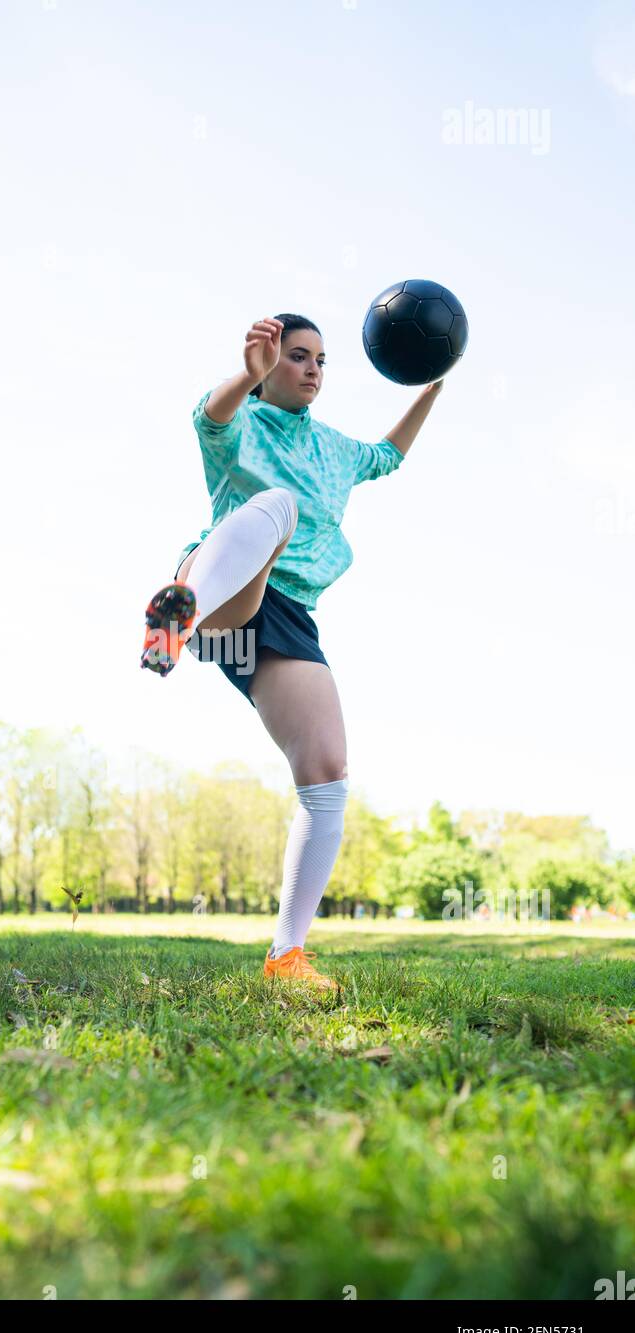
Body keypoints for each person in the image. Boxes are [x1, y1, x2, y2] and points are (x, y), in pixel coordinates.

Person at [140, 314, 443, 988]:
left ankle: (285, 956)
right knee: (275, 504)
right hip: (224, 581)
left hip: (283, 615)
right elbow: (209, 417)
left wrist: (429, 390)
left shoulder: (334, 448)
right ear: (268, 363)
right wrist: (244, 375)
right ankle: (176, 619)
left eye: (320, 360)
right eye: (295, 356)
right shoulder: (240, 423)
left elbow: (387, 456)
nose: (310, 369)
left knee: (326, 772)